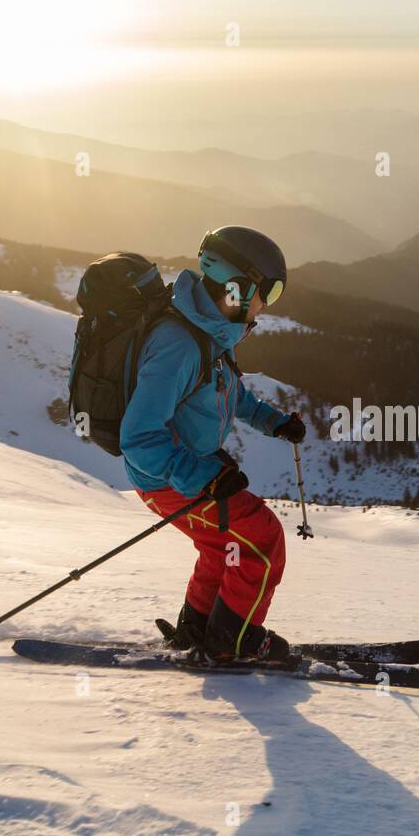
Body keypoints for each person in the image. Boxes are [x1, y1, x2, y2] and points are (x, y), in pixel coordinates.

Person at [120, 226, 306, 662]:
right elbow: (138, 437)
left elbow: (232, 394)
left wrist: (276, 423)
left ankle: (199, 629)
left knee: (224, 547)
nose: (265, 304)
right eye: (268, 292)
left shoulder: (209, 334)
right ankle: (234, 640)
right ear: (237, 287)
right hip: (169, 477)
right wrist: (203, 476)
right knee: (263, 538)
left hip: (188, 473)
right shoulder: (180, 345)